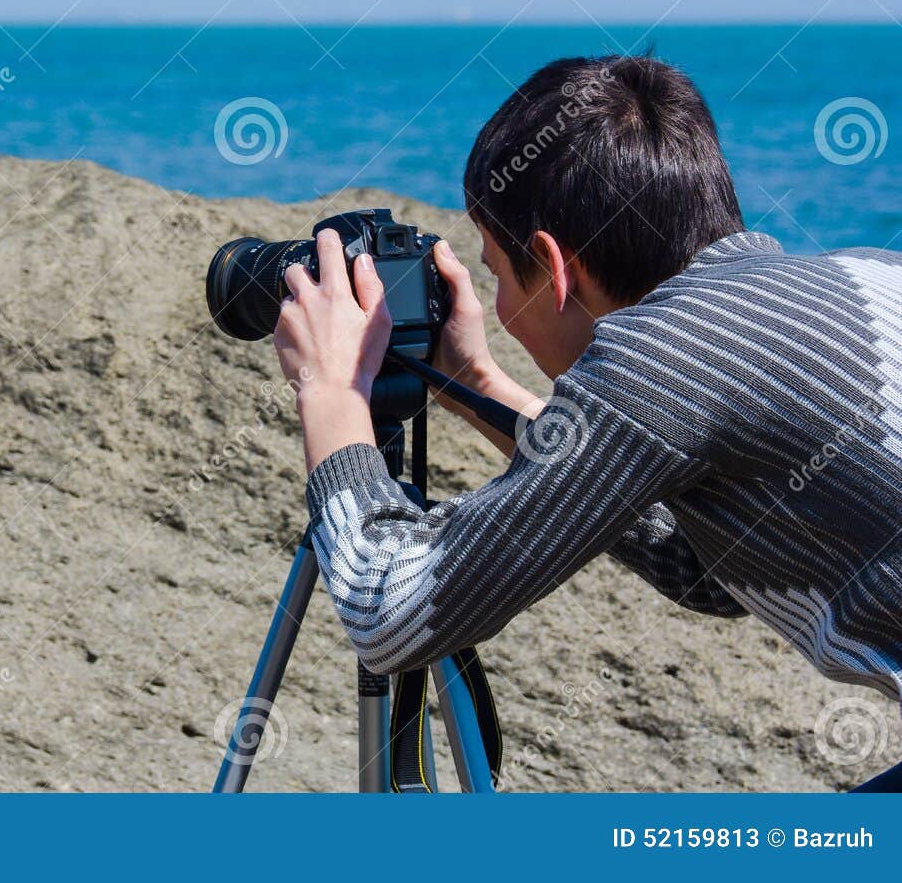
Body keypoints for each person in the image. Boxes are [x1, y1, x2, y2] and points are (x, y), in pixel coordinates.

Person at [272, 54, 902, 787]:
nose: (500, 308)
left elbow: (389, 609)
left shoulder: (666, 354)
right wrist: (474, 381)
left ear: (554, 266)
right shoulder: (866, 273)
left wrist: (330, 389)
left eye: (500, 275)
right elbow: (714, 570)